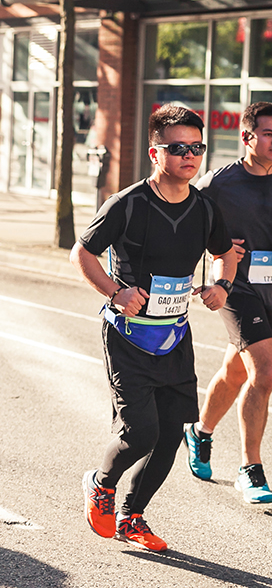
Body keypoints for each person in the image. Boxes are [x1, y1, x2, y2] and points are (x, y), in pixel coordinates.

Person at [73, 105, 238, 552]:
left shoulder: (205, 208)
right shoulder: (127, 204)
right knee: (139, 432)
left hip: (174, 337)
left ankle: (132, 517)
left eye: (197, 147)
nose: (190, 156)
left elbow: (226, 252)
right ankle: (101, 483)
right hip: (127, 335)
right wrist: (115, 293)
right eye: (178, 147)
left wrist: (221, 286)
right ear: (155, 152)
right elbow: (82, 254)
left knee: (169, 435)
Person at [190, 102, 272, 504]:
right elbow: (185, 217)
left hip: (271, 285)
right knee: (265, 367)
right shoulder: (219, 183)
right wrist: (217, 249)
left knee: (235, 371)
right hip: (236, 286)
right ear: (247, 136)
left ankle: (200, 431)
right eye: (270, 134)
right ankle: (250, 468)